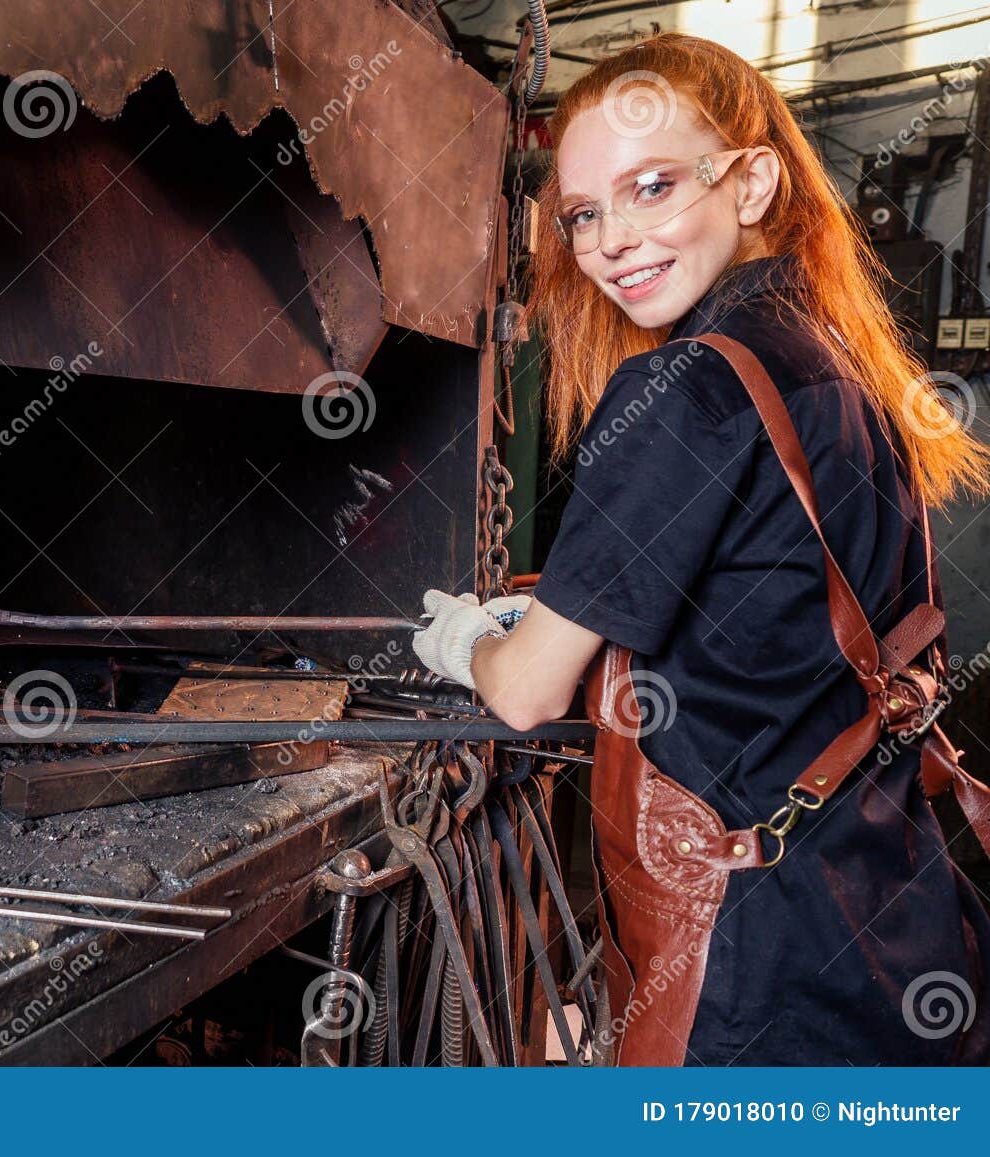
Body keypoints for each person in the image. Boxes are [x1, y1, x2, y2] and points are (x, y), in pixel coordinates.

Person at [413, 32, 990, 1064]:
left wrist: (467, 643)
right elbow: (774, 606)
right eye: (584, 213)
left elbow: (526, 694)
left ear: (753, 181)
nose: (608, 241)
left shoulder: (684, 385)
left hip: (751, 970)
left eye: (650, 187)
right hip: (892, 925)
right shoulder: (836, 368)